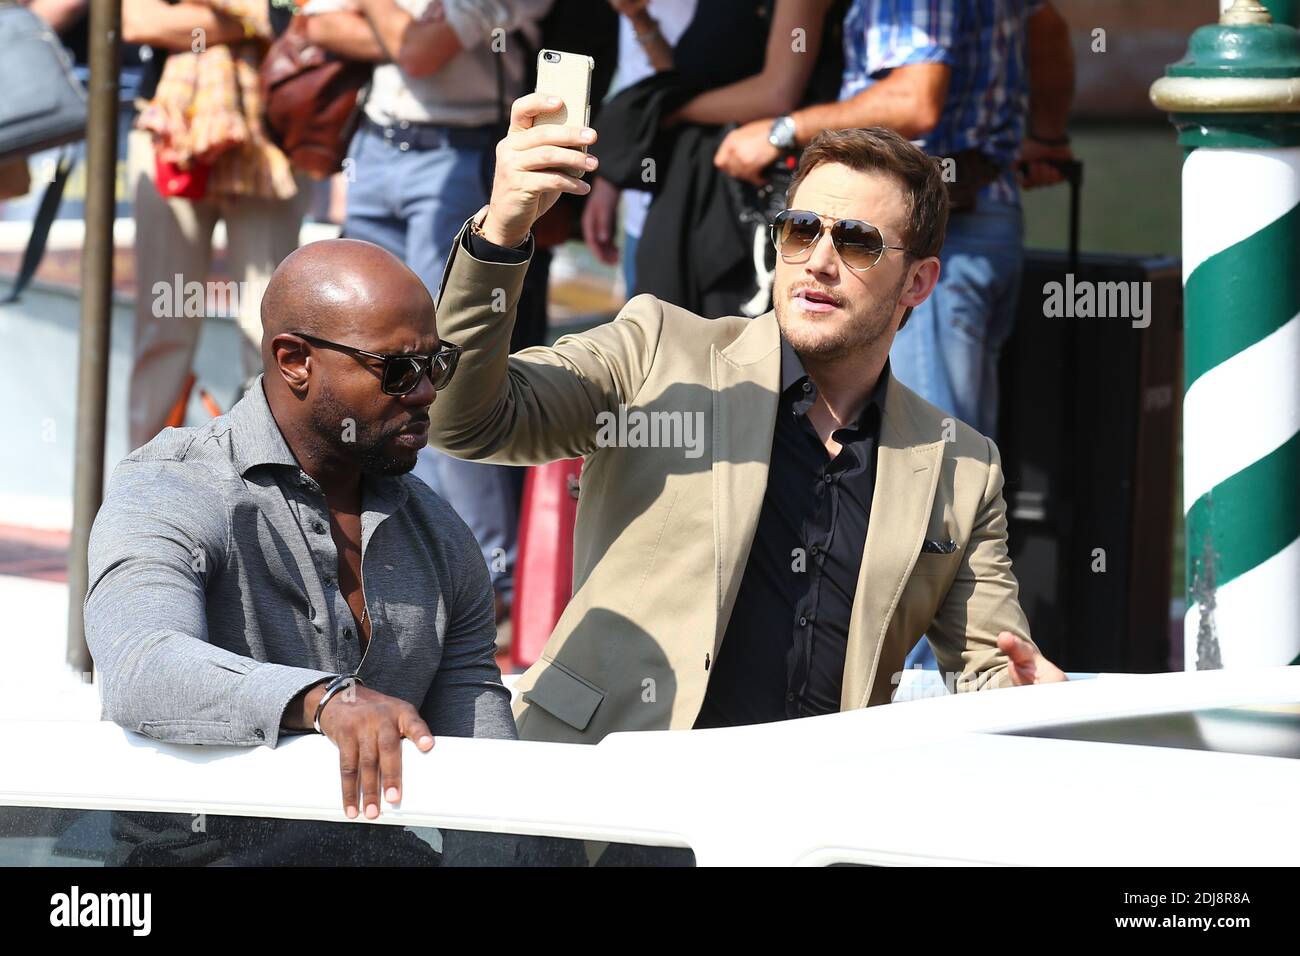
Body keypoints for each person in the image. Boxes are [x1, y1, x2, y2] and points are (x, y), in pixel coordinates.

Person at [427, 93, 1068, 745]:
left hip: (802, 826)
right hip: (616, 803)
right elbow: (464, 421)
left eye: (856, 242)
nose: (818, 260)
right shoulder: (657, 348)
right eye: (801, 229)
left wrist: (1027, 694)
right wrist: (500, 235)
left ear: (918, 283)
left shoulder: (960, 465)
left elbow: (991, 666)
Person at [85, 239, 515, 819]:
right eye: (396, 370)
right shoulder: (175, 486)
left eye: (436, 363)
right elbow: (142, 665)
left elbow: (483, 761)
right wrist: (322, 701)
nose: (425, 392)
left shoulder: (439, 533)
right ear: (294, 360)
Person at [713, 0, 1076, 437]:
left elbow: (915, 100)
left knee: (933, 456)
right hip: (984, 213)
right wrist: (1048, 136)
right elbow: (1048, 28)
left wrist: (783, 131)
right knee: (953, 442)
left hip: (926, 238)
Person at [302, 0, 553, 627]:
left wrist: (376, 16)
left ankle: (490, 578)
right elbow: (316, 22)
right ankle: (383, 557)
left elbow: (419, 52)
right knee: (358, 358)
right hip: (376, 147)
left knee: (439, 371)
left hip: (461, 151)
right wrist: (402, 30)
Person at [122, 0, 313, 449]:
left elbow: (298, 19)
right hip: (171, 126)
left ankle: (269, 478)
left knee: (268, 326)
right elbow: (140, 21)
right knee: (165, 321)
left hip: (270, 135)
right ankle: (143, 489)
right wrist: (251, 18)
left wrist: (240, 19)